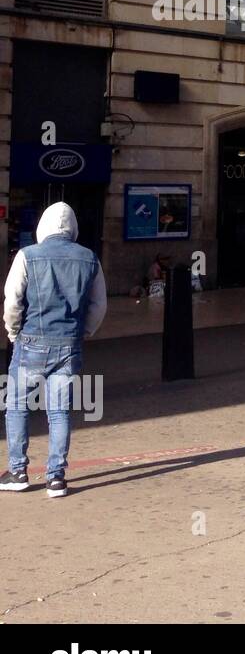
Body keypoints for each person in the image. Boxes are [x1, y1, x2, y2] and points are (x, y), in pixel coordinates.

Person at [1, 203, 107, 497]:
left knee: (17, 406)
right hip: (69, 344)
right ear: (73, 227)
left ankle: (18, 471)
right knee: (59, 411)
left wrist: (13, 332)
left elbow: (12, 300)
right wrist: (84, 332)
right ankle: (56, 478)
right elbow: (99, 305)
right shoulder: (90, 258)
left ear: (43, 226)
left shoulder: (27, 255)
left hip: (31, 342)